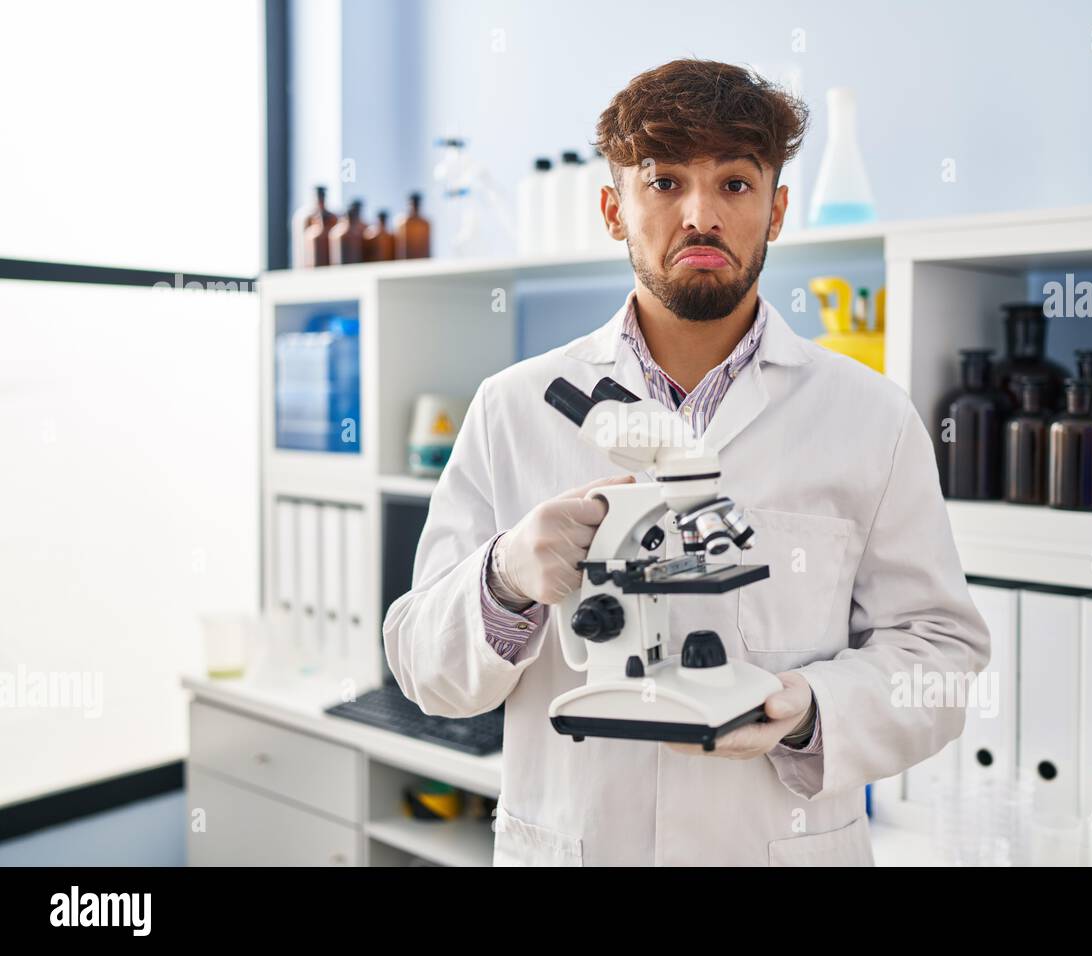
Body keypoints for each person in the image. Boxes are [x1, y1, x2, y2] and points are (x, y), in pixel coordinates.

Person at [383, 57, 990, 866]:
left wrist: (811, 711)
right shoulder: (513, 407)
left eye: (735, 184)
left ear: (776, 211)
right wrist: (504, 579)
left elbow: (939, 656)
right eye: (663, 182)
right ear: (613, 209)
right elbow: (427, 671)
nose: (700, 215)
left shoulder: (870, 418)